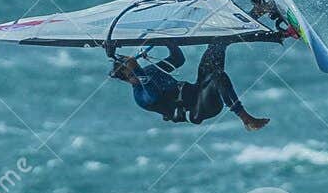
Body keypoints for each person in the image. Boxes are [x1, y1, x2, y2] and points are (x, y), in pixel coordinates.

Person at [109, 42, 269, 130]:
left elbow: (177, 59)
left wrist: (166, 41)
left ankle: (256, 12)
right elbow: (153, 92)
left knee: (217, 44)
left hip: (199, 89)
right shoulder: (140, 98)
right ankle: (245, 118)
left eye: (135, 71)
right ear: (127, 81)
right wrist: (136, 68)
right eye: (132, 76)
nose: (136, 75)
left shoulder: (149, 71)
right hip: (199, 109)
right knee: (217, 76)